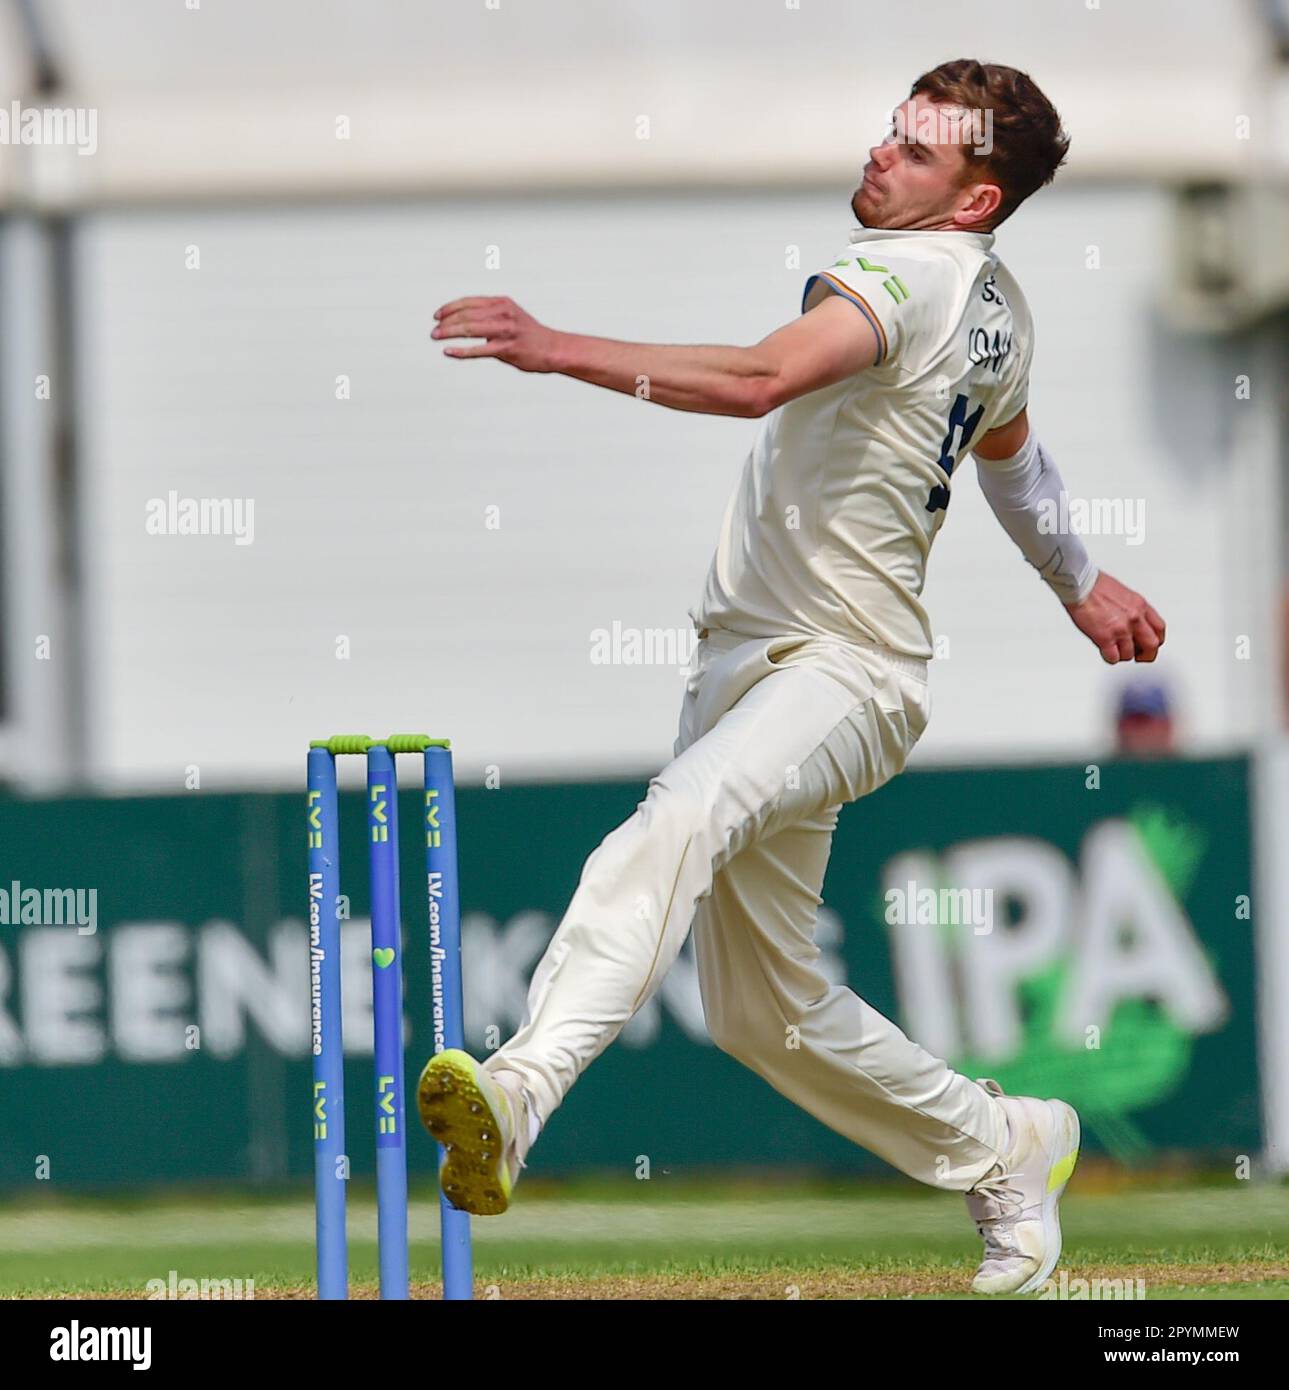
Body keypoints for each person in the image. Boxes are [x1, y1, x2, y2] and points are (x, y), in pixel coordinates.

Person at [417, 58, 1166, 1295]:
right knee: (762, 1017)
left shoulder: (899, 272)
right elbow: (1012, 464)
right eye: (890, 132)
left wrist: (554, 349)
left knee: (679, 820)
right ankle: (1005, 1148)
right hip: (764, 668)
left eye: (917, 153)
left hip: (844, 670)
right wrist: (1079, 582)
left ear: (970, 200)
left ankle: (517, 1088)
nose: (881, 156)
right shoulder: (997, 309)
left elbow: (761, 378)